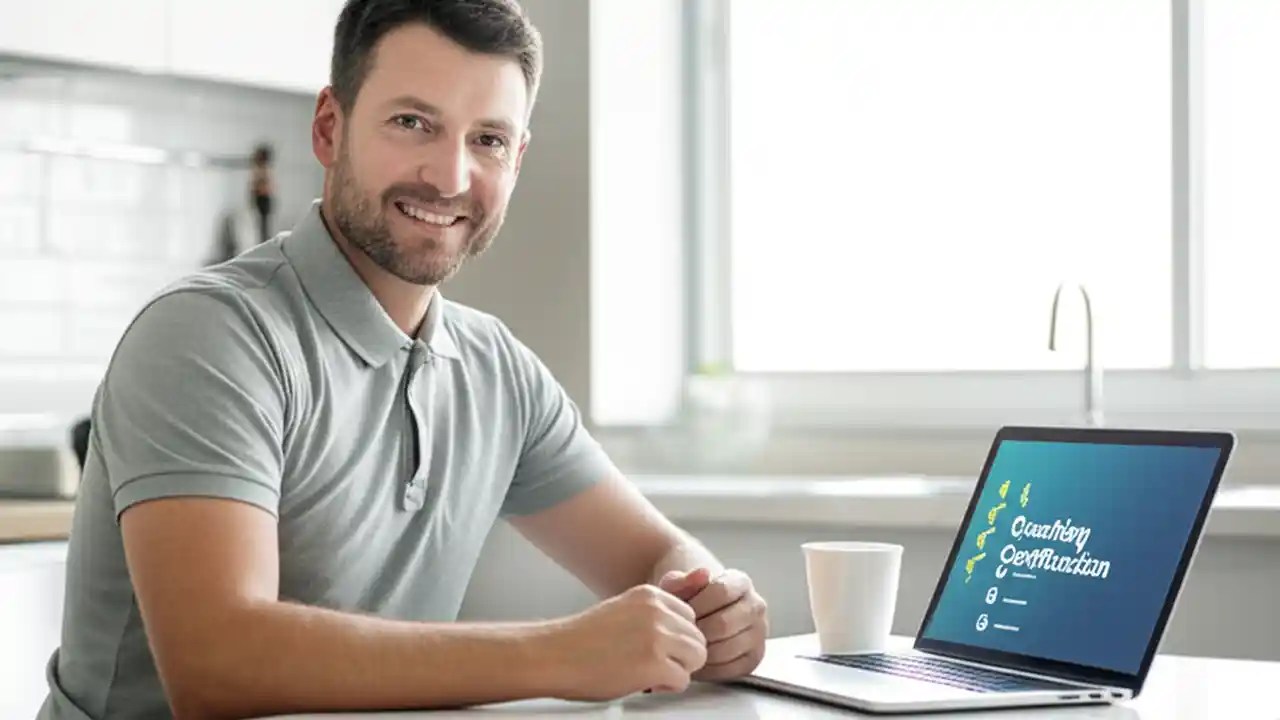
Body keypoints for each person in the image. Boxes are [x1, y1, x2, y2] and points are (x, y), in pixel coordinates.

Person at [39, 1, 768, 718]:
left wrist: (713, 607)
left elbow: (655, 557)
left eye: (487, 139)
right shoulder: (210, 335)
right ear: (330, 128)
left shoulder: (497, 370)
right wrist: (562, 653)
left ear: (517, 159)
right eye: (412, 123)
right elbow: (215, 664)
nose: (449, 177)